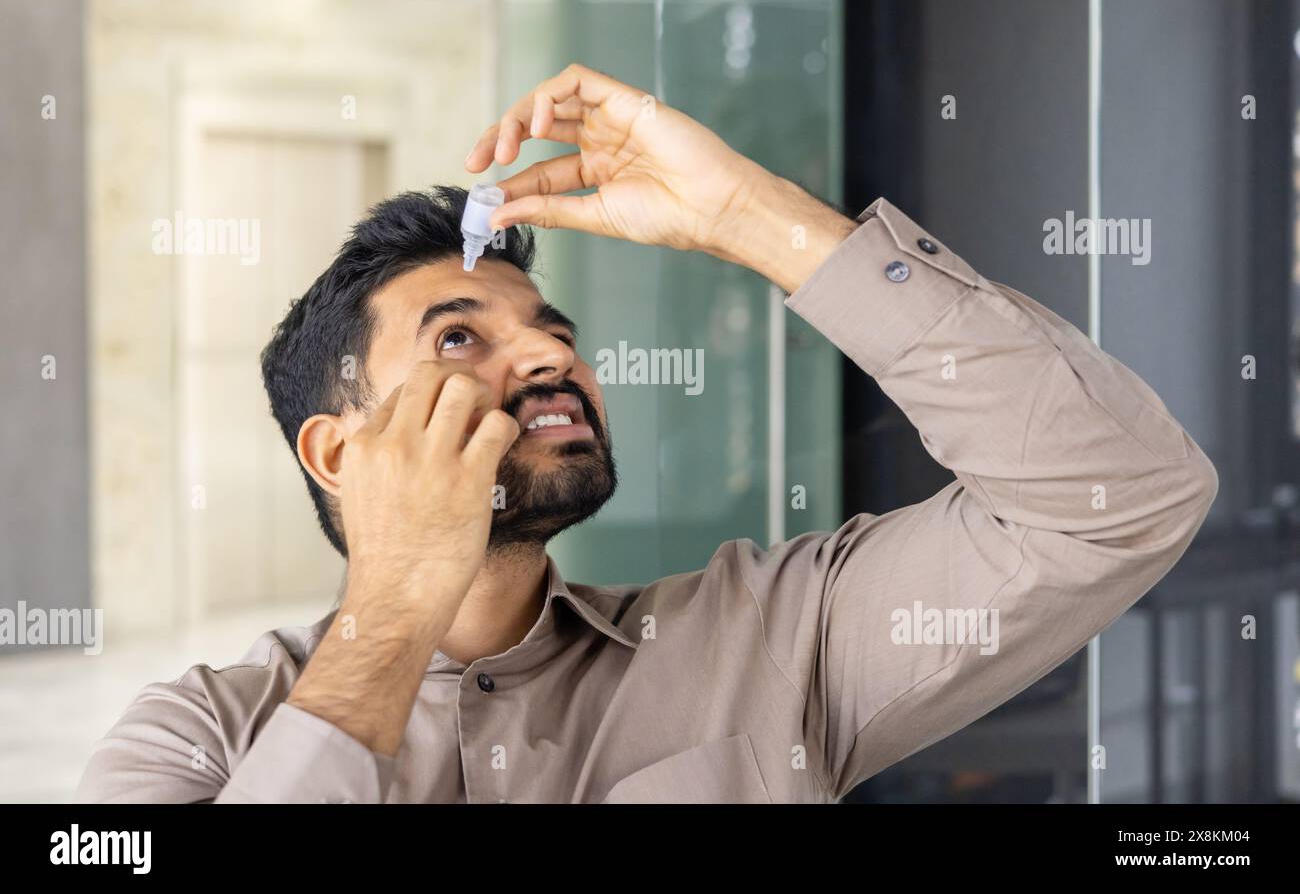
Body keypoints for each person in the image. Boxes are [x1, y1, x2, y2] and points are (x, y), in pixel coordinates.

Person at [75, 65, 1217, 803]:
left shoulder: (769, 642)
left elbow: (1118, 493)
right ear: (335, 453)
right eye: (460, 341)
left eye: (551, 331)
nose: (546, 356)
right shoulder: (200, 738)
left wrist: (750, 219)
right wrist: (394, 605)